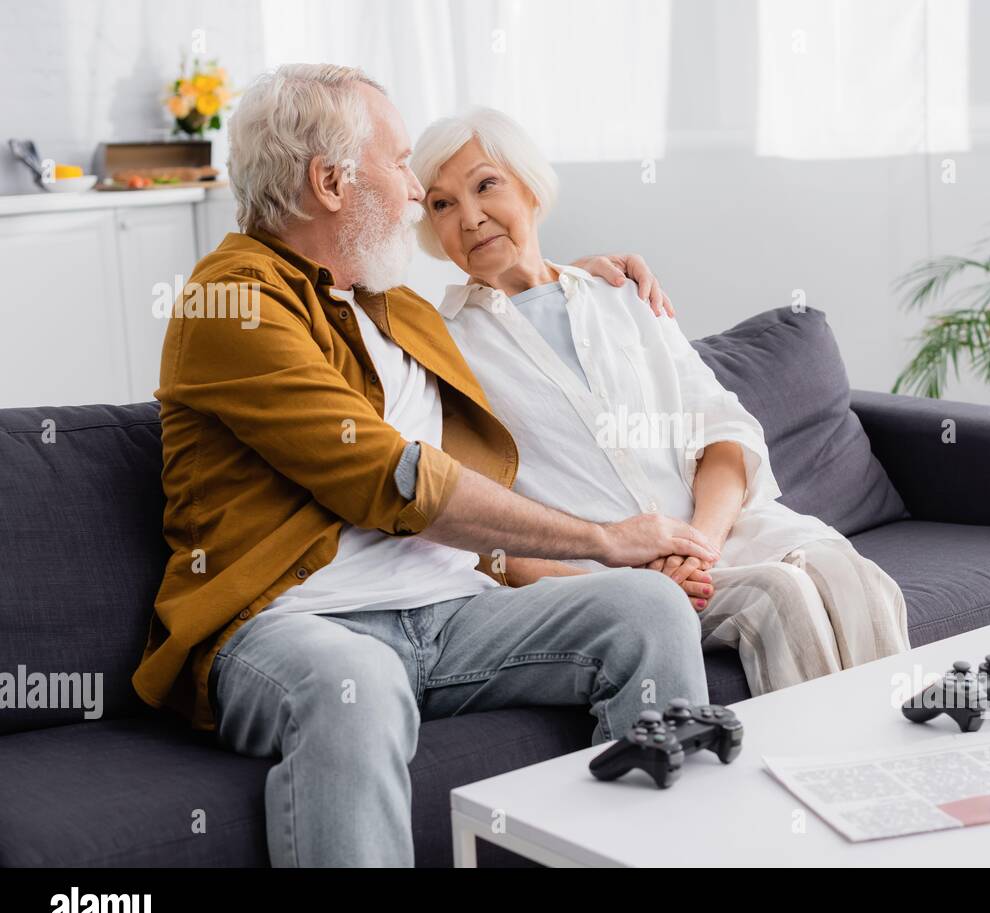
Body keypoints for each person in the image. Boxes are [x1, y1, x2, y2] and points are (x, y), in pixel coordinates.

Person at [133, 64, 718, 867]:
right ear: (331, 181)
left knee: (649, 609)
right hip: (292, 627)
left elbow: (504, 307)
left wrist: (579, 281)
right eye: (403, 163)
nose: (415, 192)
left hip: (451, 616)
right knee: (358, 686)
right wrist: (604, 537)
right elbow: (390, 475)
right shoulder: (228, 302)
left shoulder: (394, 301)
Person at [409, 106, 911, 698]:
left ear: (529, 185)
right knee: (782, 597)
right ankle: (817, 782)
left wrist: (698, 547)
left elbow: (723, 432)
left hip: (718, 534)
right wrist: (635, 583)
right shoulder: (438, 347)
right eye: (441, 204)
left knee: (858, 578)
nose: (469, 218)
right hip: (600, 576)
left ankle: (900, 776)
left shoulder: (620, 295)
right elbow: (474, 523)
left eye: (485, 184)